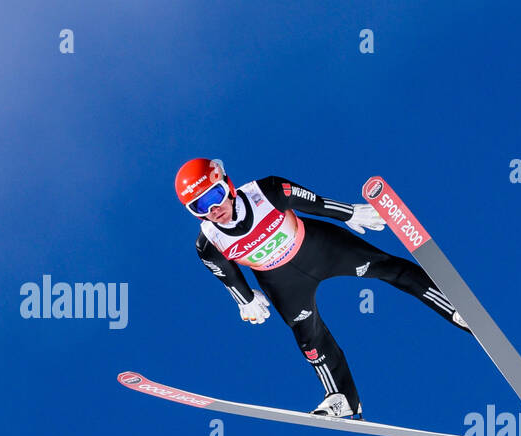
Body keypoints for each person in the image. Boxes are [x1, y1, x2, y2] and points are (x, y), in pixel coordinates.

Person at [175, 157, 471, 418]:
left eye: (214, 195)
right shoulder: (208, 243)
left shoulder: (266, 191)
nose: (213, 209)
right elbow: (226, 275)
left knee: (389, 268)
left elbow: (316, 203)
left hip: (321, 249)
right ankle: (342, 398)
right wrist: (245, 299)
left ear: (227, 185)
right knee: (309, 338)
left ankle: (454, 309)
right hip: (283, 282)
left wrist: (350, 212)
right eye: (199, 206)